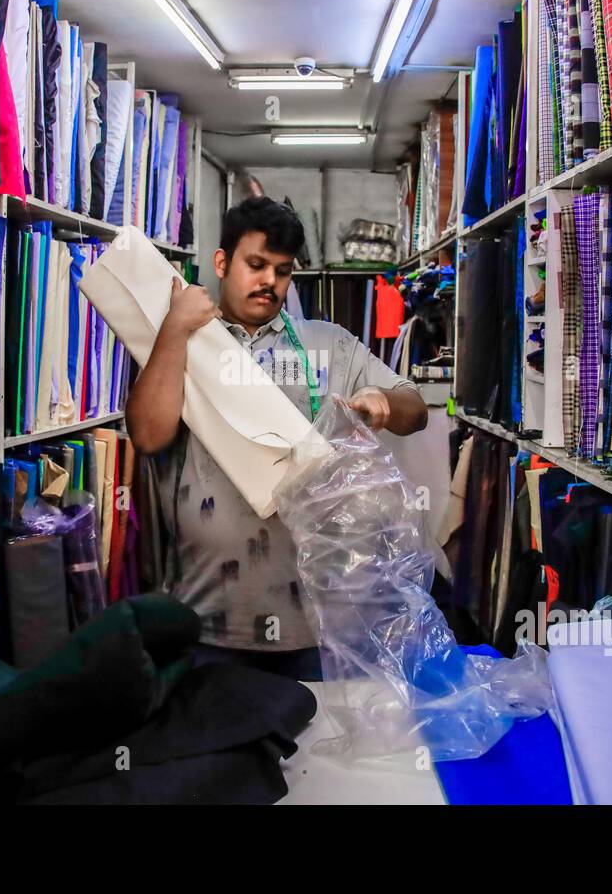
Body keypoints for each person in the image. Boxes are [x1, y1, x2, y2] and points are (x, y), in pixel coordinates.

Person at [126, 196, 427, 680]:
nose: (269, 281)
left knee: (311, 750)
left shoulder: (327, 345)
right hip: (204, 621)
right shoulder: (187, 344)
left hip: (314, 627)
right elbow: (147, 435)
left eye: (282, 271)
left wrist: (384, 400)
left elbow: (415, 409)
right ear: (221, 263)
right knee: (215, 748)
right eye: (256, 265)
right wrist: (177, 328)